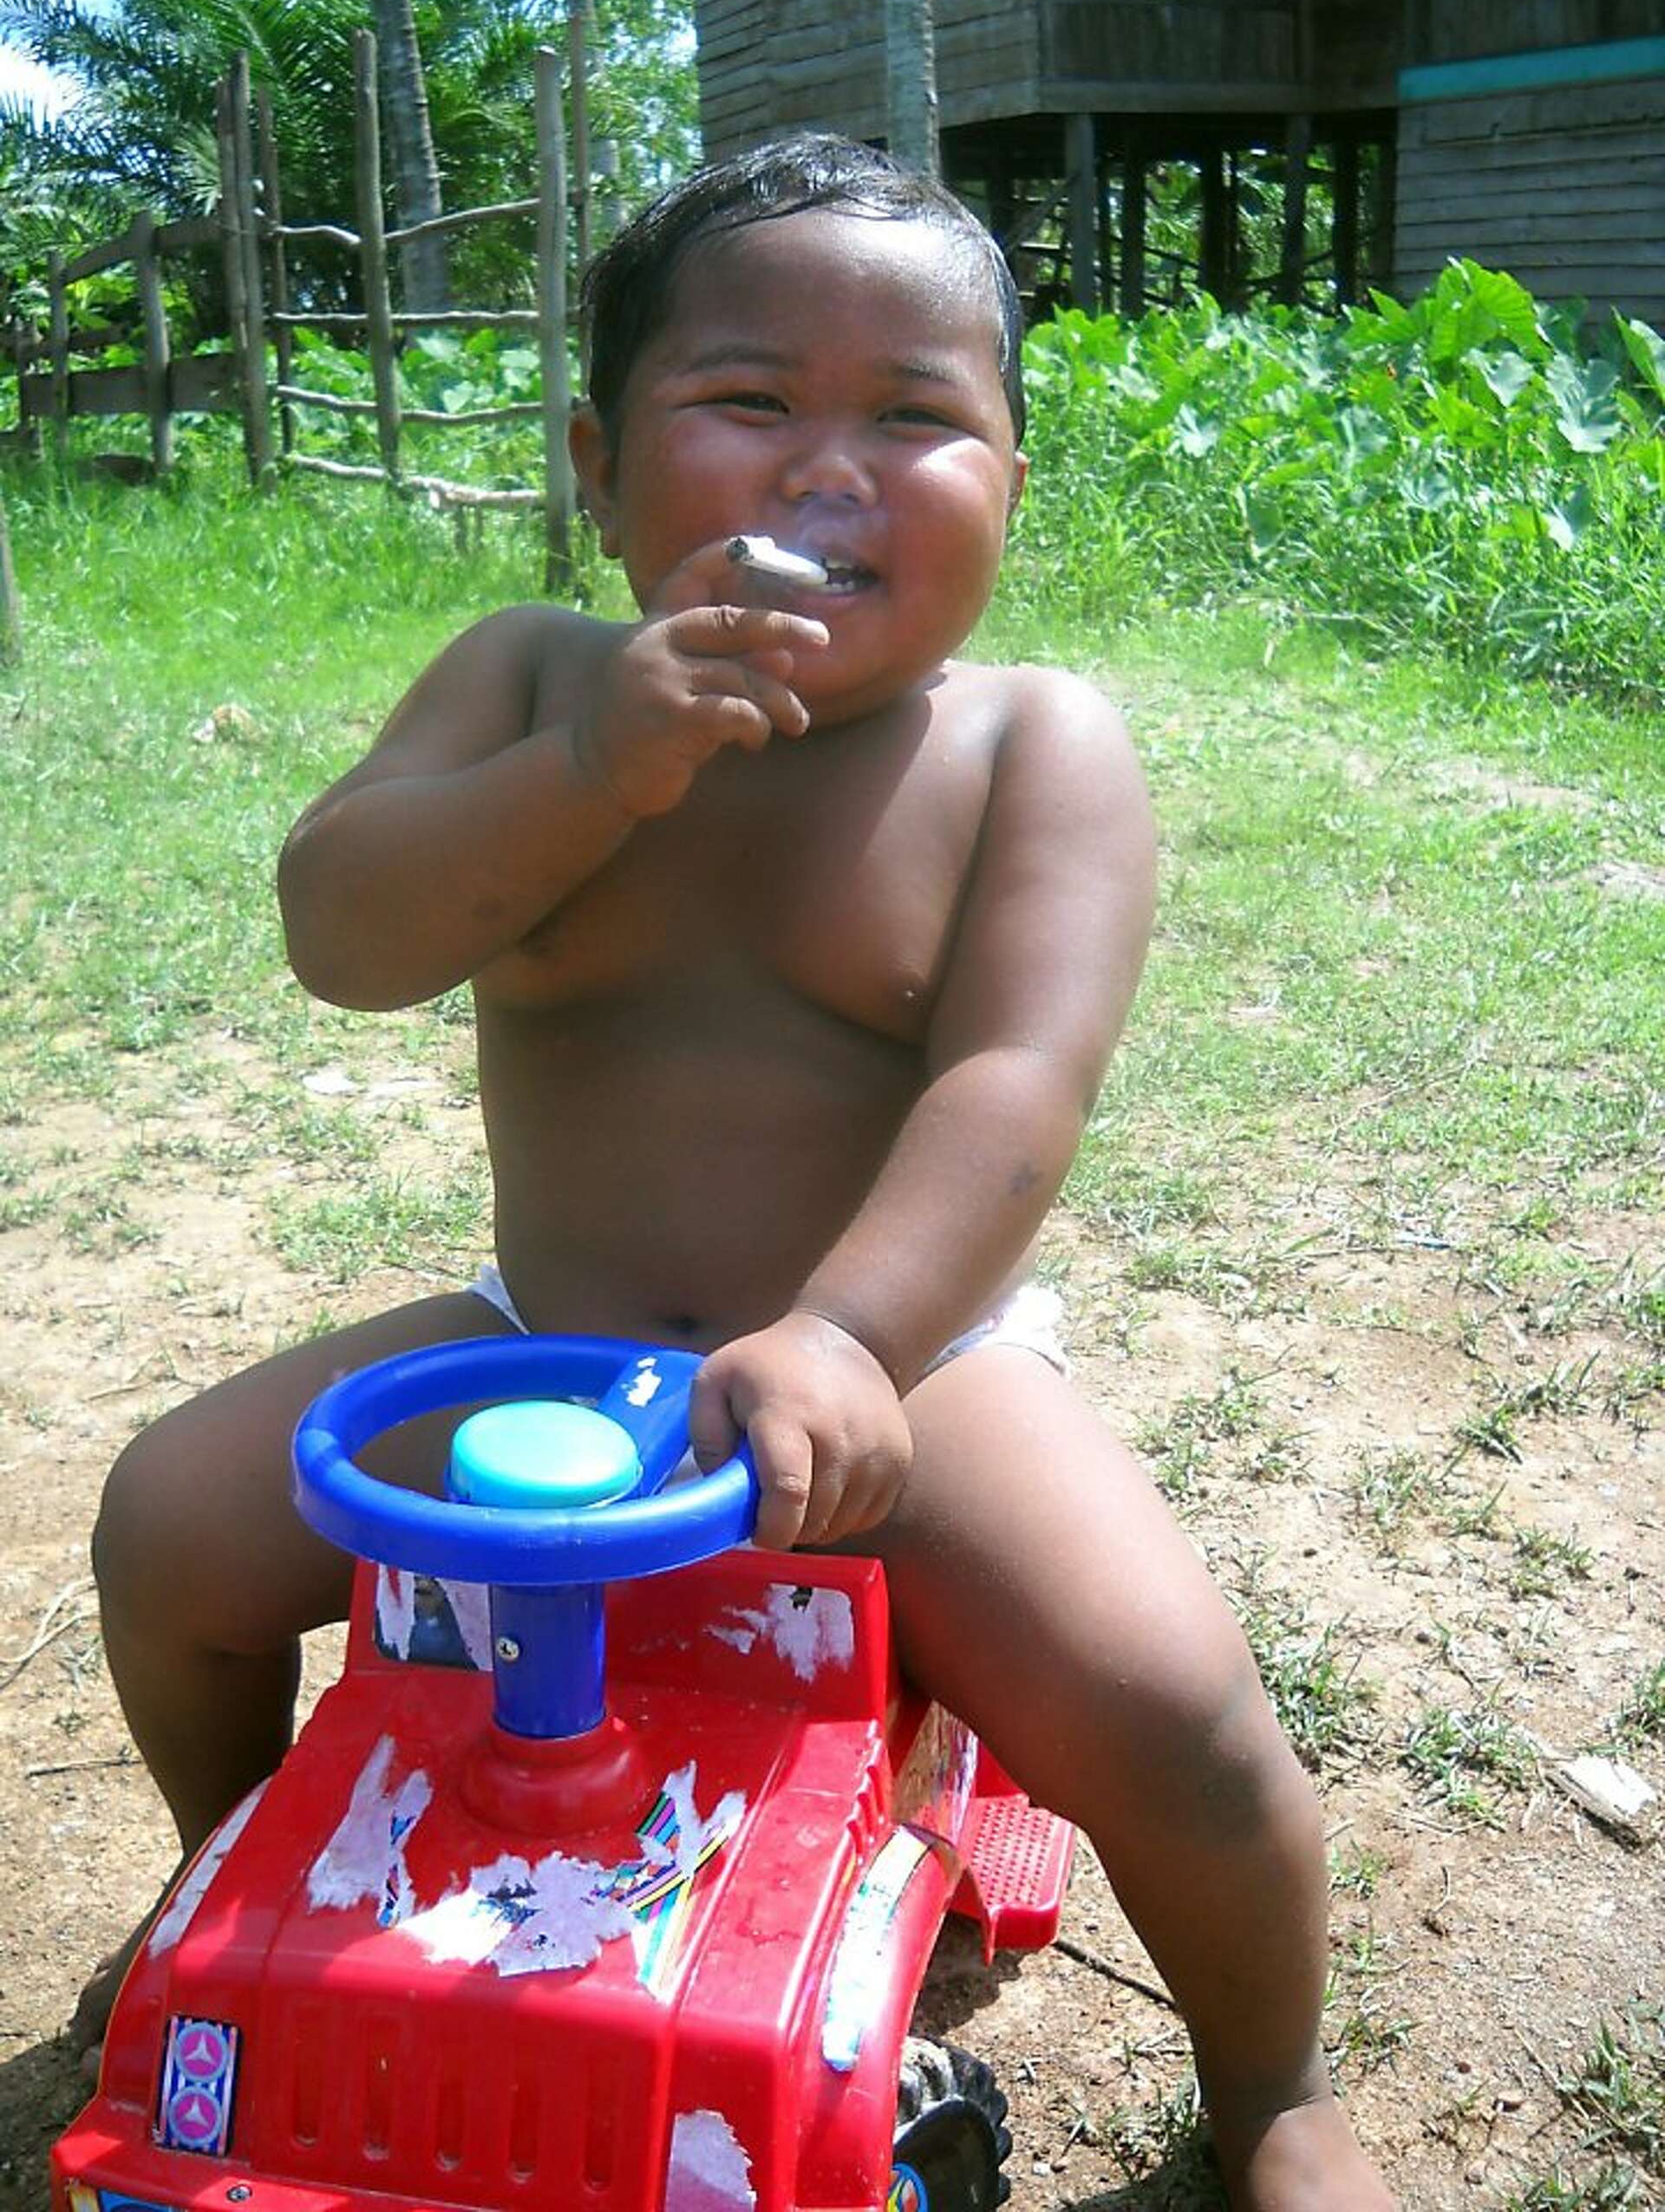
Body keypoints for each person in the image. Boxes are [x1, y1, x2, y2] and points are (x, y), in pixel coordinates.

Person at [79, 135, 1394, 2209]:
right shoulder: (528, 676)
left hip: (906, 1364)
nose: (829, 466)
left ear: (1013, 483)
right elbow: (343, 930)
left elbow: (1014, 1083)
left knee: (1173, 1708)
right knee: (170, 1528)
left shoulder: (1027, 746)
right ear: (601, 467)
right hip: (546, 1346)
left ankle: (1275, 2085)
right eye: (752, 398)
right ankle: (238, 1886)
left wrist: (852, 1330)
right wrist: (590, 768)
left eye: (916, 416)